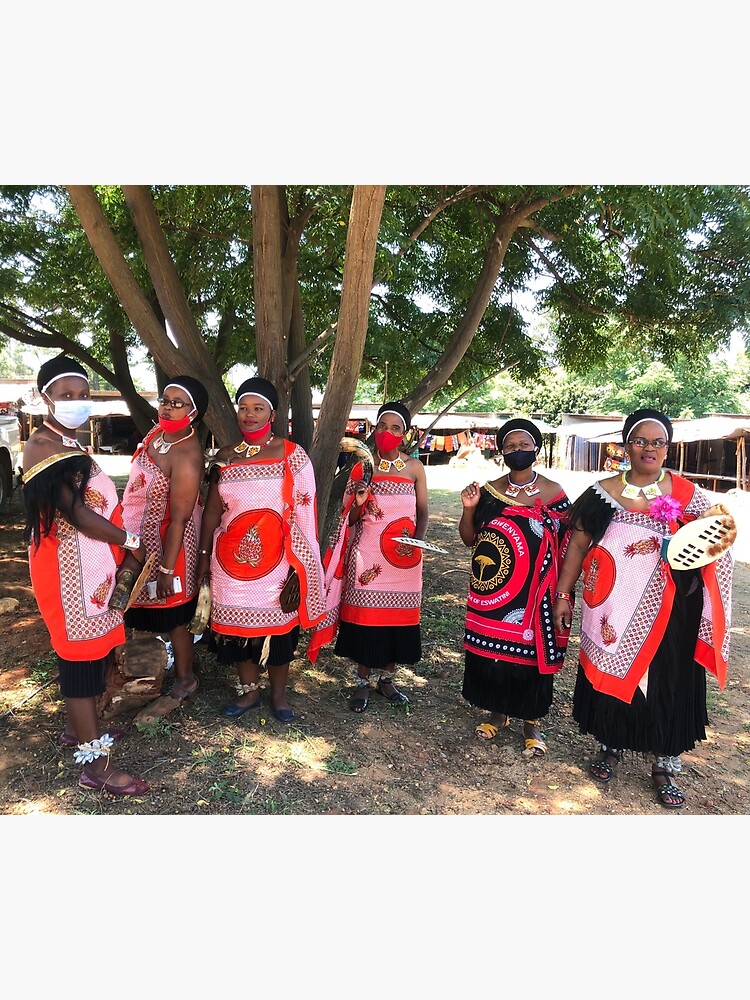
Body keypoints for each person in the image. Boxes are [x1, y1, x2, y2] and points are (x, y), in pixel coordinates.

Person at [552, 408, 735, 809]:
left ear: (667, 448)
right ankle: (610, 744)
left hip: (672, 610)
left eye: (658, 442)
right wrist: (564, 595)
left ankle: (664, 763)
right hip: (611, 613)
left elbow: (721, 539)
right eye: (640, 440)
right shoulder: (601, 492)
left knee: (669, 679)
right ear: (625, 445)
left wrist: (689, 552)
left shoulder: (688, 494)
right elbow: (577, 547)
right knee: (613, 676)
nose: (649, 449)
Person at [22, 356, 149, 796]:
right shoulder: (41, 445)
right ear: (46, 398)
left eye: (83, 395)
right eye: (66, 395)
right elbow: (75, 513)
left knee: (93, 653)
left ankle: (80, 730)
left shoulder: (73, 447)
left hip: (91, 569)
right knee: (78, 658)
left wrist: (119, 554)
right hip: (63, 572)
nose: (77, 402)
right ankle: (95, 767)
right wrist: (131, 540)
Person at [196, 376, 325, 723]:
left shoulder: (291, 456)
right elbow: (211, 511)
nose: (249, 415)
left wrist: (301, 563)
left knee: (279, 630)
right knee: (239, 631)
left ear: (272, 413)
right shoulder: (224, 457)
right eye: (243, 408)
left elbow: (305, 509)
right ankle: (248, 692)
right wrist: (204, 559)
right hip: (230, 563)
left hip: (279, 560)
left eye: (258, 408)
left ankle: (279, 694)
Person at [458, 418, 571, 756]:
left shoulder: (554, 492)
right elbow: (470, 539)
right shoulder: (490, 491)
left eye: (524, 445)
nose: (517, 451)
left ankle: (532, 723)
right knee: (496, 655)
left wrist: (563, 590)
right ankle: (498, 713)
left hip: (537, 594)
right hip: (497, 593)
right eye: (510, 447)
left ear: (536, 448)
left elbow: (571, 543)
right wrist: (469, 509)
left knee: (532, 656)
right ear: (502, 452)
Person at [307, 401, 429, 712]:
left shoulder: (415, 468)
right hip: (368, 556)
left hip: (404, 559)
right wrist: (360, 501)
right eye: (382, 427)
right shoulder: (362, 468)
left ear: (405, 434)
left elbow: (423, 511)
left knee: (397, 623)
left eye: (395, 428)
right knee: (367, 621)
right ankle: (362, 682)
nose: (388, 433)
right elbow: (350, 518)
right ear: (374, 430)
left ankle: (387, 680)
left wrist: (417, 542)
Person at [121, 375, 208, 702]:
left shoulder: (186, 455)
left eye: (178, 404)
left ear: (194, 412)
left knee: (174, 616)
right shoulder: (156, 434)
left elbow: (180, 520)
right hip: (133, 540)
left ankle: (185, 679)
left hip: (167, 548)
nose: (168, 408)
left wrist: (167, 570)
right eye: (165, 400)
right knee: (127, 605)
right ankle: (135, 670)